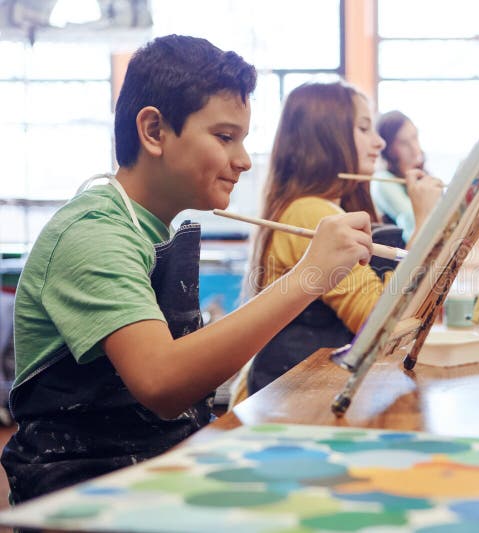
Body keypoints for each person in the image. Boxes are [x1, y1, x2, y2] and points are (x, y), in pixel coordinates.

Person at [0, 35, 374, 504]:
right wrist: (308, 276)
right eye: (225, 137)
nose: (243, 161)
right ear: (154, 130)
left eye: (243, 140)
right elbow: (162, 382)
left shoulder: (154, 229)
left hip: (161, 466)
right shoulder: (93, 232)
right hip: (88, 492)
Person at [238, 81, 442, 398]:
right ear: (325, 136)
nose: (378, 142)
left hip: (303, 396)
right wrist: (426, 222)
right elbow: (383, 327)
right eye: (364, 128)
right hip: (290, 404)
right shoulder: (311, 212)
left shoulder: (324, 208)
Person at [372, 110, 432, 244]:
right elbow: (411, 218)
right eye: (404, 143)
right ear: (388, 149)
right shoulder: (382, 180)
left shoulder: (422, 174)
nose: (414, 147)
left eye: (415, 137)